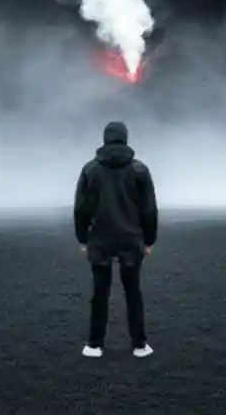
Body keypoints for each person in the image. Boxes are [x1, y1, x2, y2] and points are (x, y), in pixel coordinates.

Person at [73, 120, 158, 358]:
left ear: (105, 139)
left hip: (99, 239)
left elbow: (81, 208)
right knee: (133, 292)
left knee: (100, 292)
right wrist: (149, 240)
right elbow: (149, 209)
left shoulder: (90, 169)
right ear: (125, 139)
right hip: (131, 239)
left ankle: (94, 345)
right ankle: (140, 345)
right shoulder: (140, 169)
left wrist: (83, 239)